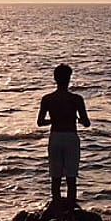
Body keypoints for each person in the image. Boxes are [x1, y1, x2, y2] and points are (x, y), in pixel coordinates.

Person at [37, 63, 90, 207]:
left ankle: (59, 215)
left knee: (55, 178)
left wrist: (53, 120)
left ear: (55, 78)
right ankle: (71, 215)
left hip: (55, 137)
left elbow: (40, 122)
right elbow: (87, 123)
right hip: (71, 137)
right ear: (69, 78)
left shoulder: (47, 99)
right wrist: (78, 120)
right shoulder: (76, 99)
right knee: (71, 179)